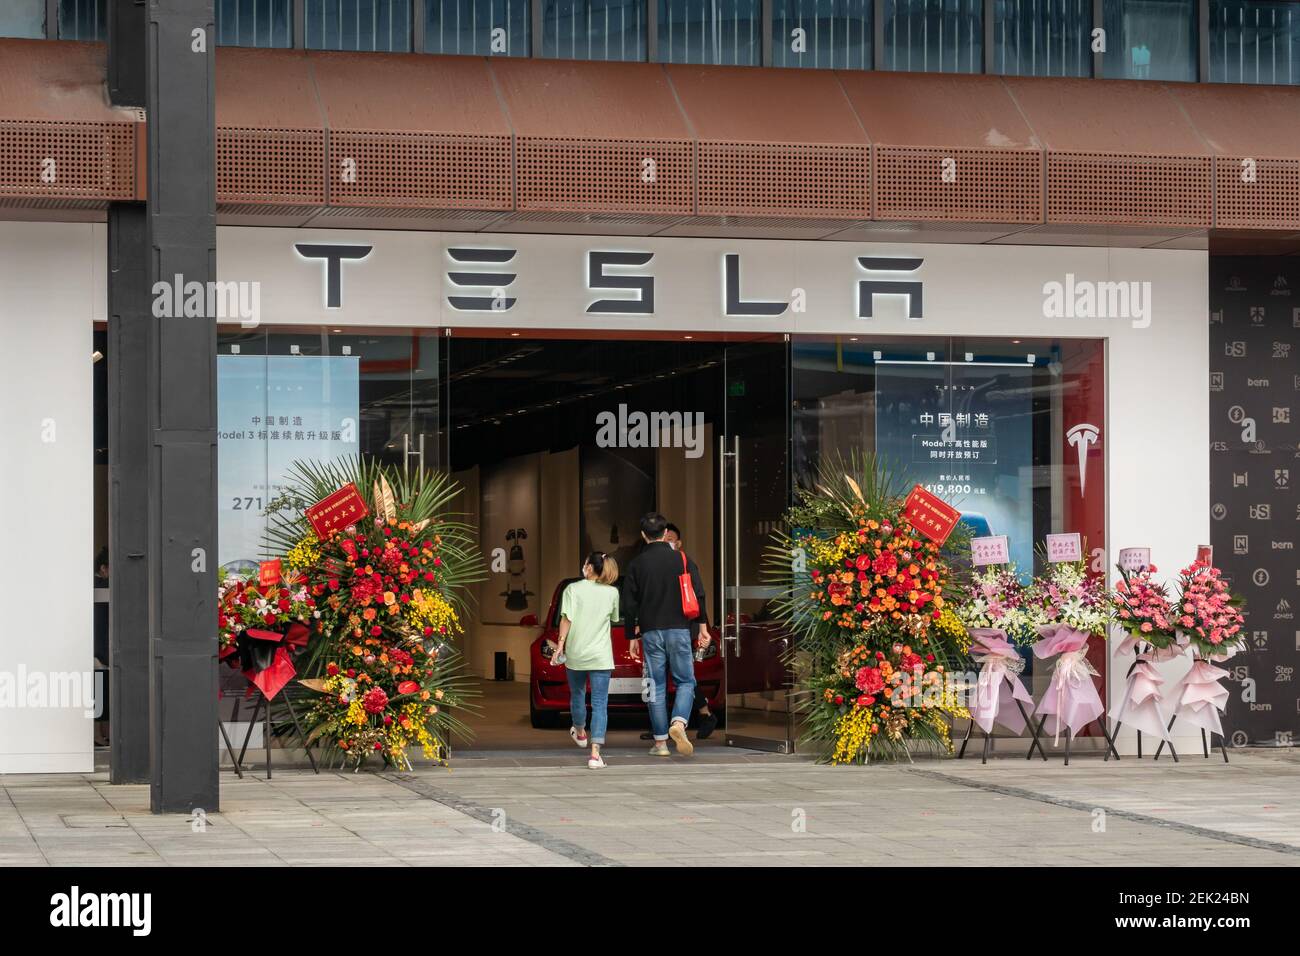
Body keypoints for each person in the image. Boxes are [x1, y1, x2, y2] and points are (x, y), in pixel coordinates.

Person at [624, 512, 708, 757]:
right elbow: (698, 594)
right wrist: (702, 627)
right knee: (685, 681)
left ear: (643, 535)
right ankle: (679, 723)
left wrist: (631, 636)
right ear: (665, 533)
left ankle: (660, 743)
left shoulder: (637, 564)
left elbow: (629, 604)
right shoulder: (682, 559)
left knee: (655, 686)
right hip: (680, 630)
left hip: (650, 632)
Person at [638, 523, 718, 740]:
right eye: (666, 538)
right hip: (671, 627)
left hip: (684, 626)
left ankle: (672, 725)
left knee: (681, 677)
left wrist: (702, 626)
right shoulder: (657, 563)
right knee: (678, 677)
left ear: (678, 542)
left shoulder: (683, 561)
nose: (667, 542)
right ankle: (681, 720)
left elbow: (697, 595)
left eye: (671, 539)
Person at [554, 552, 620, 769]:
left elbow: (566, 619)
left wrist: (560, 645)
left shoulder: (572, 589)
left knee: (578, 694)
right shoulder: (612, 593)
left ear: (590, 568)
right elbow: (613, 618)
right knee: (600, 704)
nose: (583, 567)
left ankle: (580, 731)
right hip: (601, 655)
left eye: (585, 564)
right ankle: (594, 754)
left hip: (576, 654)